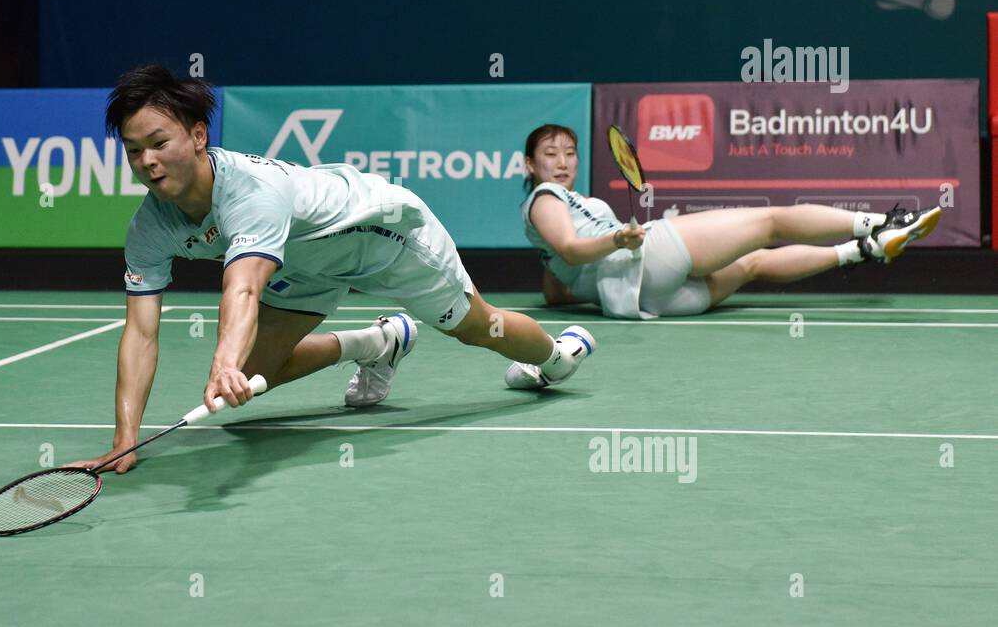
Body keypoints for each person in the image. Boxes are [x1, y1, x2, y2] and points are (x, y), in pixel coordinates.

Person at [66, 67, 598, 474]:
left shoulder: (250, 190)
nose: (147, 162)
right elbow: (140, 332)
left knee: (480, 328)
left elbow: (245, 286)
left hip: (384, 237)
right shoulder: (149, 228)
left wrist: (222, 362)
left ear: (199, 136)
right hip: (306, 263)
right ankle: (378, 343)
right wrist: (126, 437)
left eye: (160, 143)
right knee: (258, 375)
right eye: (134, 152)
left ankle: (557, 358)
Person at [504, 123, 941, 387]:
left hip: (644, 300)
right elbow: (570, 248)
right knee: (770, 223)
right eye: (550, 154)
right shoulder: (545, 197)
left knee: (752, 264)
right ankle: (882, 224)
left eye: (570, 153)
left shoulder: (565, 205)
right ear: (529, 164)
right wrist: (617, 240)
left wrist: (565, 264)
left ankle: (861, 250)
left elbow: (558, 288)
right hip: (646, 258)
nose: (562, 162)